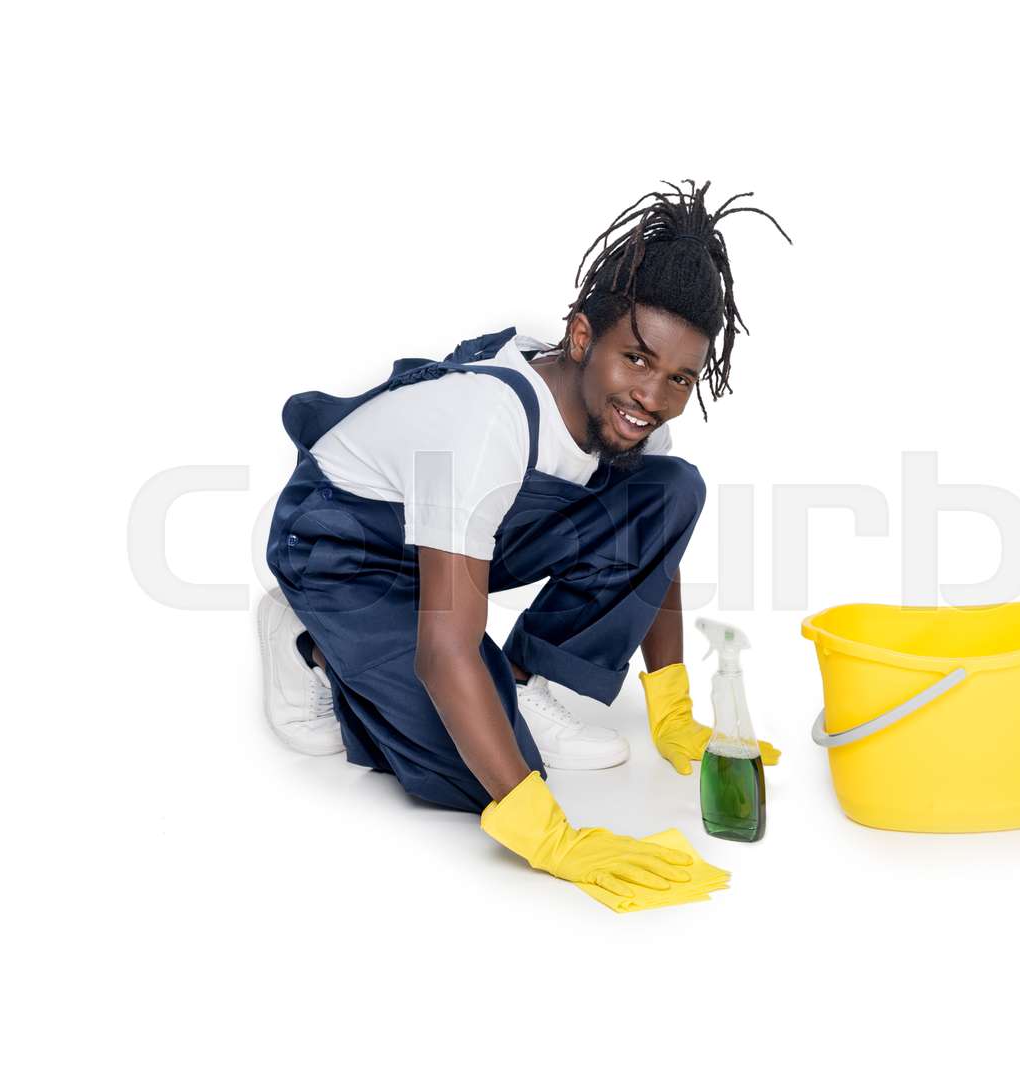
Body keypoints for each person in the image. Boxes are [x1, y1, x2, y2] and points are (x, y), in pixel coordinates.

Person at [255, 180, 786, 898]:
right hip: (344, 545)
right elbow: (444, 651)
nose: (653, 397)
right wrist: (548, 834)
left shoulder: (632, 412)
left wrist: (673, 705)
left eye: (678, 378)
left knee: (671, 488)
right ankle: (310, 641)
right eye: (636, 360)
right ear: (580, 336)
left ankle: (522, 679)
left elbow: (656, 543)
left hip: (452, 530)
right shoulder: (490, 425)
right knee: (478, 773)